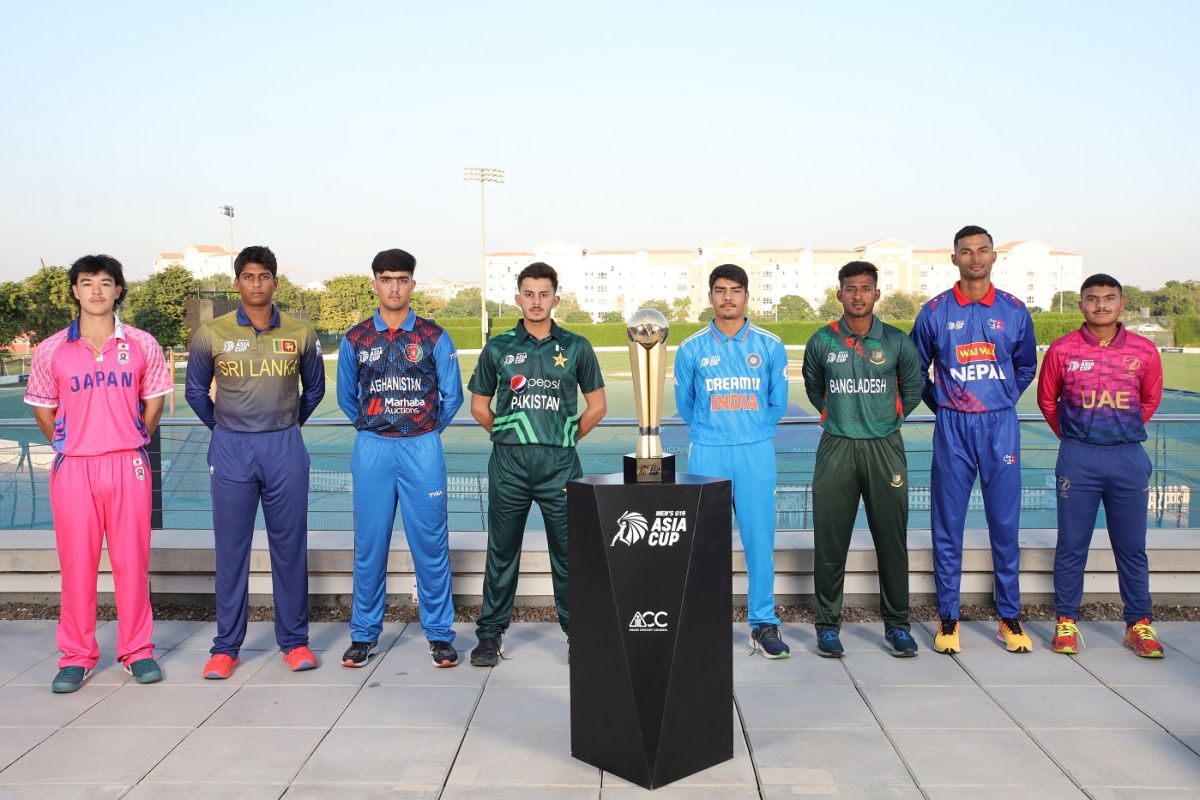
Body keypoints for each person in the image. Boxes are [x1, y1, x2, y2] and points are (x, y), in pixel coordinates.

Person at [25, 255, 174, 693]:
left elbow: (155, 403)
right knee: (76, 566)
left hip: (128, 463)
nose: (95, 291)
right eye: (86, 283)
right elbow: (42, 408)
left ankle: (137, 651)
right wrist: (73, 443)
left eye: (105, 283)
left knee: (132, 562)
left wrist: (128, 437)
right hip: (75, 467)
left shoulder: (142, 344)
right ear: (75, 290)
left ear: (118, 290)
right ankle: (76, 656)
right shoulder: (51, 348)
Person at [185, 245, 325, 678]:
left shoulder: (301, 334)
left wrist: (285, 424)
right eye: (248, 276)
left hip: (284, 447)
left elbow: (314, 390)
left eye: (264, 276)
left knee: (289, 549)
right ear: (237, 283)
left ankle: (295, 643)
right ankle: (226, 647)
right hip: (231, 450)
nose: (257, 284)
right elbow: (194, 392)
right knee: (231, 552)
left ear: (275, 282)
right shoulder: (212, 333)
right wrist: (226, 429)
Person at [467, 262, 606, 666]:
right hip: (508, 463)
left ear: (555, 298)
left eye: (544, 294)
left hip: (560, 465)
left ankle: (577, 633)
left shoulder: (577, 346)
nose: (536, 301)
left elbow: (597, 406)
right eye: (528, 293)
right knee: (502, 551)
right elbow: (479, 406)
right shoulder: (498, 347)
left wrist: (564, 438)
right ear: (518, 298)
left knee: (569, 553)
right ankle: (490, 635)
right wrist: (510, 432)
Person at [910, 225, 1037, 654]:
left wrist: (999, 400)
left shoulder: (1015, 310)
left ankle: (1009, 616)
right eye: (966, 251)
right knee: (948, 524)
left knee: (1005, 523)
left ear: (994, 256)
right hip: (953, 426)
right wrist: (945, 403)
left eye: (983, 250)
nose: (975, 258)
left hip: (1000, 425)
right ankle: (948, 617)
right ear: (954, 259)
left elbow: (1024, 368)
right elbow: (915, 371)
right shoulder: (934, 311)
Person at [336, 249, 464, 668]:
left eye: (402, 279)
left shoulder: (433, 336)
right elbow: (345, 399)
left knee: (431, 544)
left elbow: (453, 397)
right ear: (374, 283)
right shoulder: (355, 339)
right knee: (369, 545)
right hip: (372, 448)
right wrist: (380, 427)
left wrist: (421, 429)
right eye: (386, 279)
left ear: (413, 284)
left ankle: (441, 634)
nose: (394, 286)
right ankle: (364, 633)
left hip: (422, 447)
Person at [1037, 274, 1164, 658]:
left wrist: (1116, 432)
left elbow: (1149, 400)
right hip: (1079, 458)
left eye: (1109, 299)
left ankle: (1139, 623)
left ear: (1121, 304)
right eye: (1093, 299)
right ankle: (1066, 622)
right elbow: (1047, 401)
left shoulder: (1143, 350)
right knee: (1072, 544)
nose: (1101, 306)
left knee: (1131, 546)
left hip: (1127, 458)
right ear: (1081, 304)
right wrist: (1077, 438)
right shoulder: (1062, 349)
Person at [803, 261, 924, 658]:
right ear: (839, 294)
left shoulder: (896, 341)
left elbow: (912, 388)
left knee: (891, 540)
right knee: (830, 541)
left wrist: (886, 420)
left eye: (865, 288)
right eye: (850, 288)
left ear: (877, 294)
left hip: (884, 446)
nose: (858, 295)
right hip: (837, 444)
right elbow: (815, 388)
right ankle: (827, 625)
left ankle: (898, 625)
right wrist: (840, 418)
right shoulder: (822, 341)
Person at [675, 264, 790, 658]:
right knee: (705, 544)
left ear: (746, 295)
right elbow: (685, 405)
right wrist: (714, 432)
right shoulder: (691, 348)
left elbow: (776, 403)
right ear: (710, 296)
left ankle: (763, 623)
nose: (728, 297)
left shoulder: (770, 345)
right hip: (708, 451)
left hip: (755, 451)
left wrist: (750, 430)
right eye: (720, 290)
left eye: (735, 290)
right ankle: (707, 621)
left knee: (760, 541)